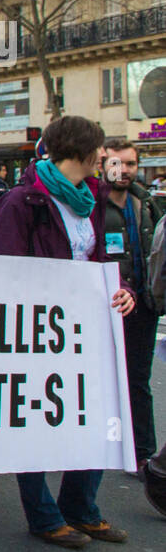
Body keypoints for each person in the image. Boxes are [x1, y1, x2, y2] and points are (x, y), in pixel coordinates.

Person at [0, 116, 136, 549]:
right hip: (37, 332)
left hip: (87, 326)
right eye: (100, 153)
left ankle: (81, 507)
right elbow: (5, 271)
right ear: (88, 154)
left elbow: (101, 260)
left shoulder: (94, 198)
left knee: (92, 415)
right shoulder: (23, 202)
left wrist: (121, 290)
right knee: (36, 418)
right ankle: (44, 516)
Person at [101, 139, 159, 475]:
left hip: (144, 305)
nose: (123, 171)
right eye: (116, 164)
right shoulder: (94, 204)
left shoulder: (145, 202)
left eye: (130, 164)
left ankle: (143, 454)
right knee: (103, 377)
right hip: (109, 304)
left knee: (138, 380)